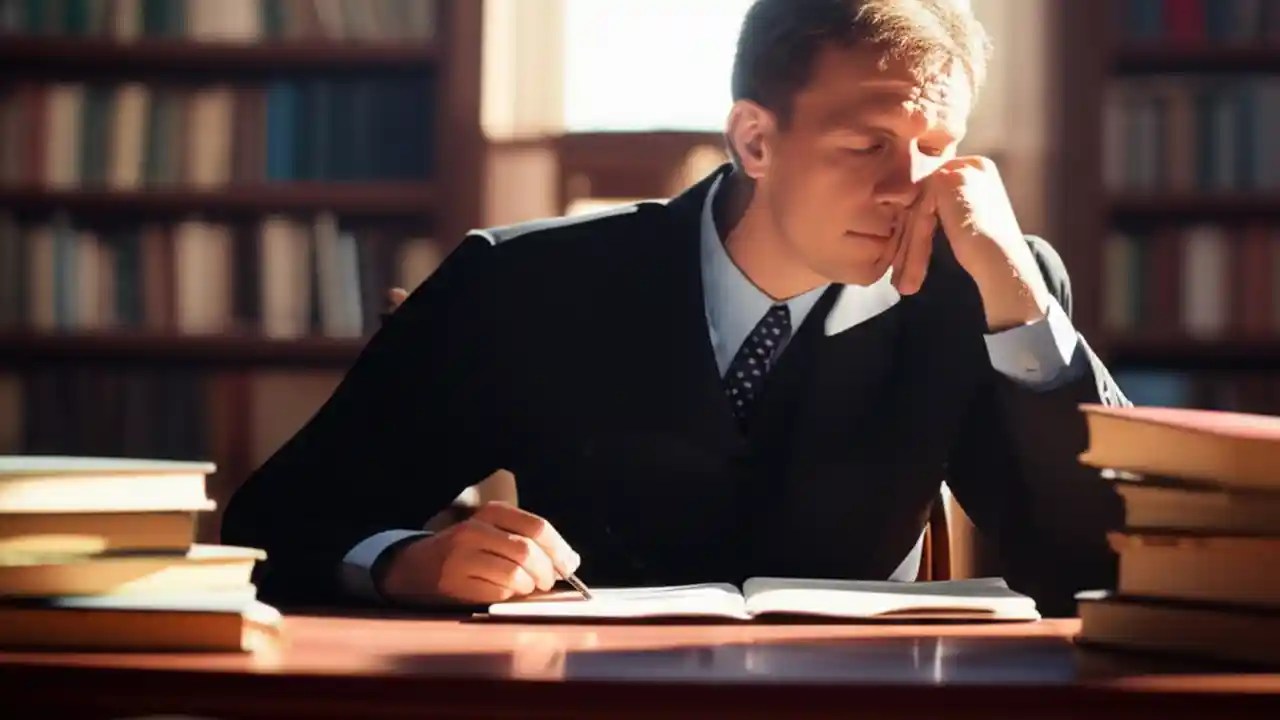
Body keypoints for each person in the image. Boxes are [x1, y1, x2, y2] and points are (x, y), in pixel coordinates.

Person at [222, 0, 1128, 617]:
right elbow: (274, 523)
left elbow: (1111, 571)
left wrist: (1020, 297)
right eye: (868, 143)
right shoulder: (525, 284)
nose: (911, 186)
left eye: (938, 148)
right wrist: (403, 562)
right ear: (755, 139)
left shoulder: (987, 292)